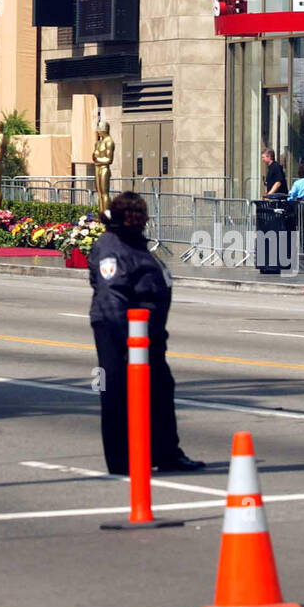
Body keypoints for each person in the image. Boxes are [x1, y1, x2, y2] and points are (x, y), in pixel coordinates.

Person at [88, 191, 204, 475]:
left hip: (149, 334)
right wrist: (126, 342)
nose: (138, 220)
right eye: (133, 215)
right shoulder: (111, 247)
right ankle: (121, 460)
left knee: (161, 388)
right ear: (122, 218)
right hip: (119, 333)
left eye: (140, 215)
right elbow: (111, 295)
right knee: (114, 392)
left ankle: (166, 452)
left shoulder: (137, 245)